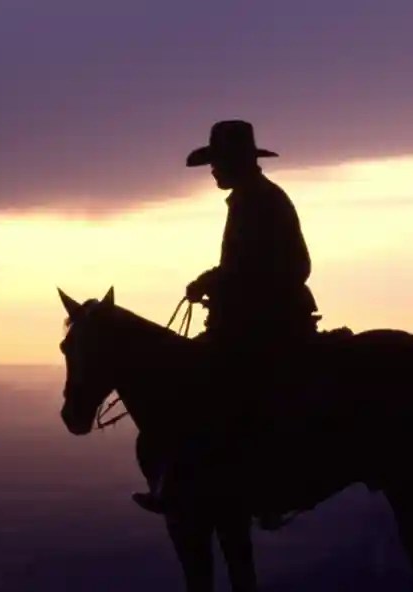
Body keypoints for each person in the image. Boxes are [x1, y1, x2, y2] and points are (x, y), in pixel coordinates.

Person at [133, 120, 319, 518]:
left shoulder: (258, 201)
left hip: (264, 324)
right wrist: (214, 280)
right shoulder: (256, 198)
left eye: (217, 163)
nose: (214, 171)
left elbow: (281, 267)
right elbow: (246, 265)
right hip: (262, 318)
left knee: (202, 388)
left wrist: (220, 284)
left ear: (235, 162)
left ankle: (231, 481)